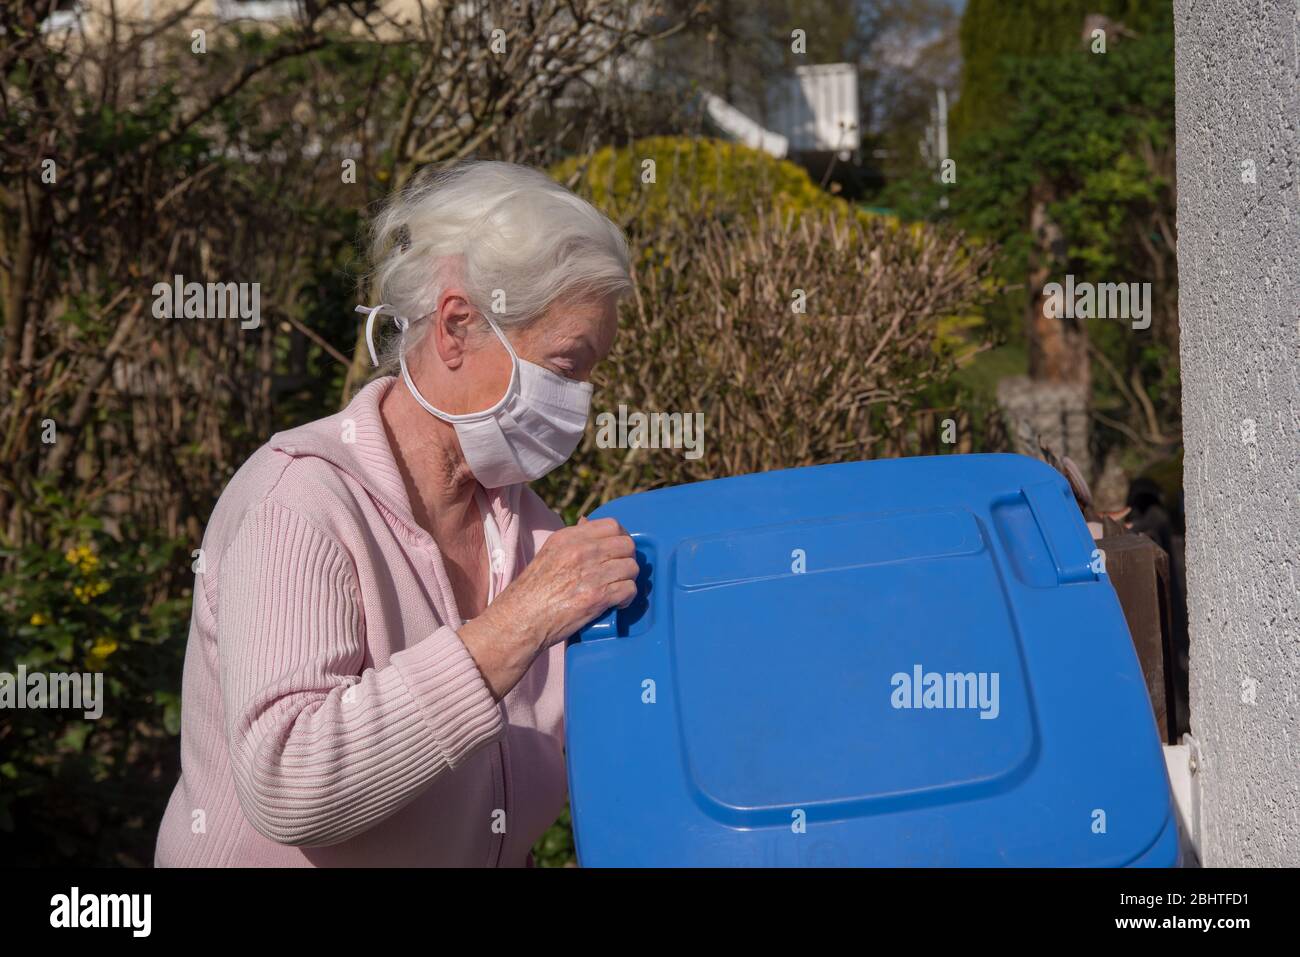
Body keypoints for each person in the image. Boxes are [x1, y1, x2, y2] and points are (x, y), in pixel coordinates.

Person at [155, 162, 639, 866]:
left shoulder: (533, 532)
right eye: (566, 366)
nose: (581, 401)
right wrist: (517, 624)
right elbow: (290, 781)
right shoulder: (295, 501)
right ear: (456, 326)